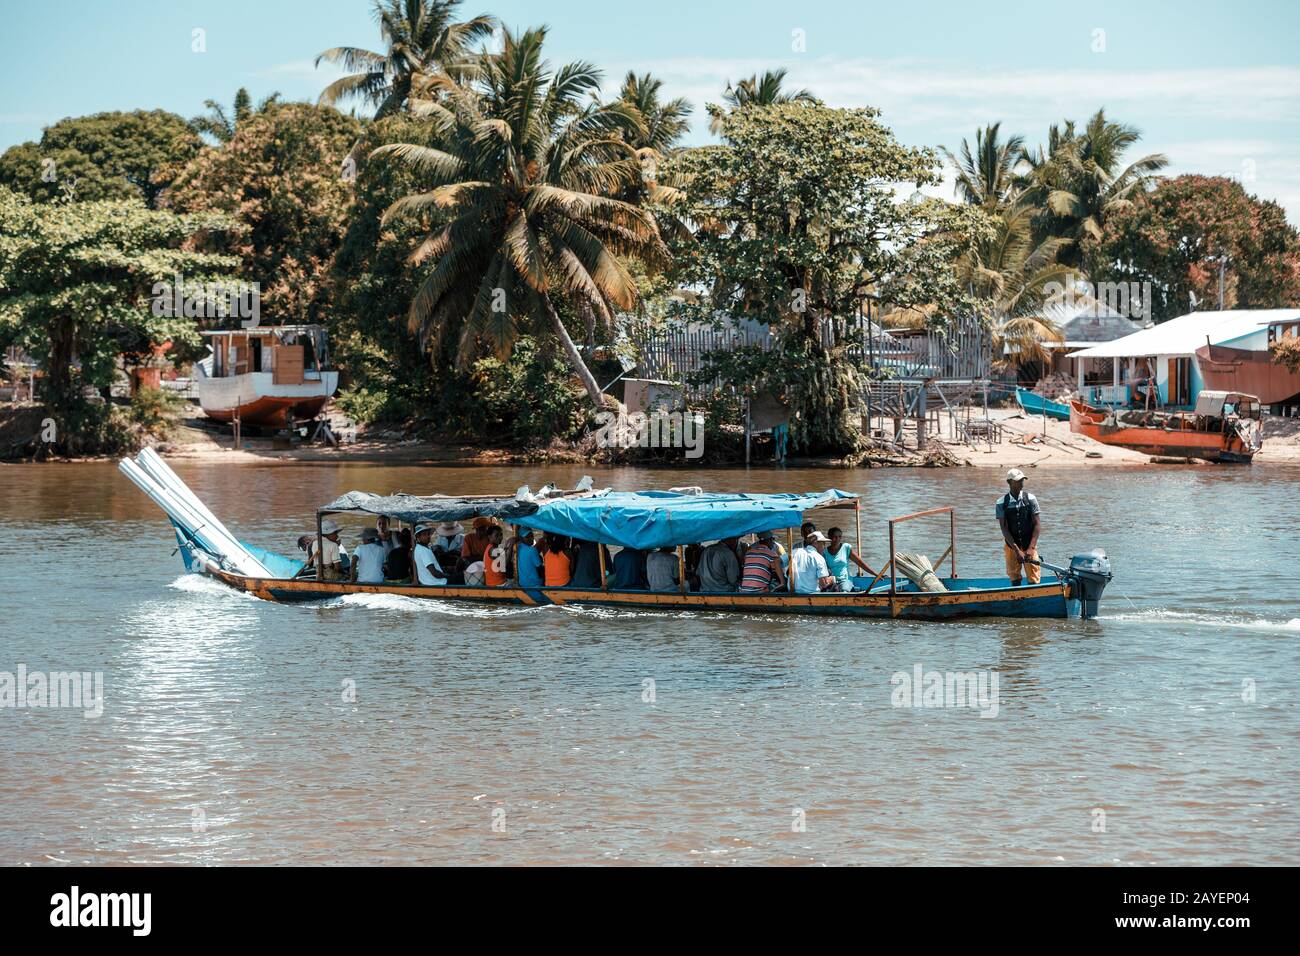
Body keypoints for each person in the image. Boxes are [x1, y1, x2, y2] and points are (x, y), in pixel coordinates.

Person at [997, 467, 1041, 585]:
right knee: (1013, 575)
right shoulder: (1001, 503)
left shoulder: (1030, 499)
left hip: (1029, 544)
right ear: (1009, 482)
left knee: (1033, 575)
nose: (1021, 483)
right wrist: (1016, 550)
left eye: (1022, 480)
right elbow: (1004, 528)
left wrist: (1031, 548)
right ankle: (1017, 599)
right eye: (1018, 481)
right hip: (1011, 545)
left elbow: (1037, 524)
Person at [824, 527, 874, 592]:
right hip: (832, 581)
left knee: (844, 590)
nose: (837, 539)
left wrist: (875, 574)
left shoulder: (846, 548)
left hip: (845, 580)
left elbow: (860, 563)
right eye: (835, 537)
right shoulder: (825, 552)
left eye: (839, 537)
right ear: (829, 538)